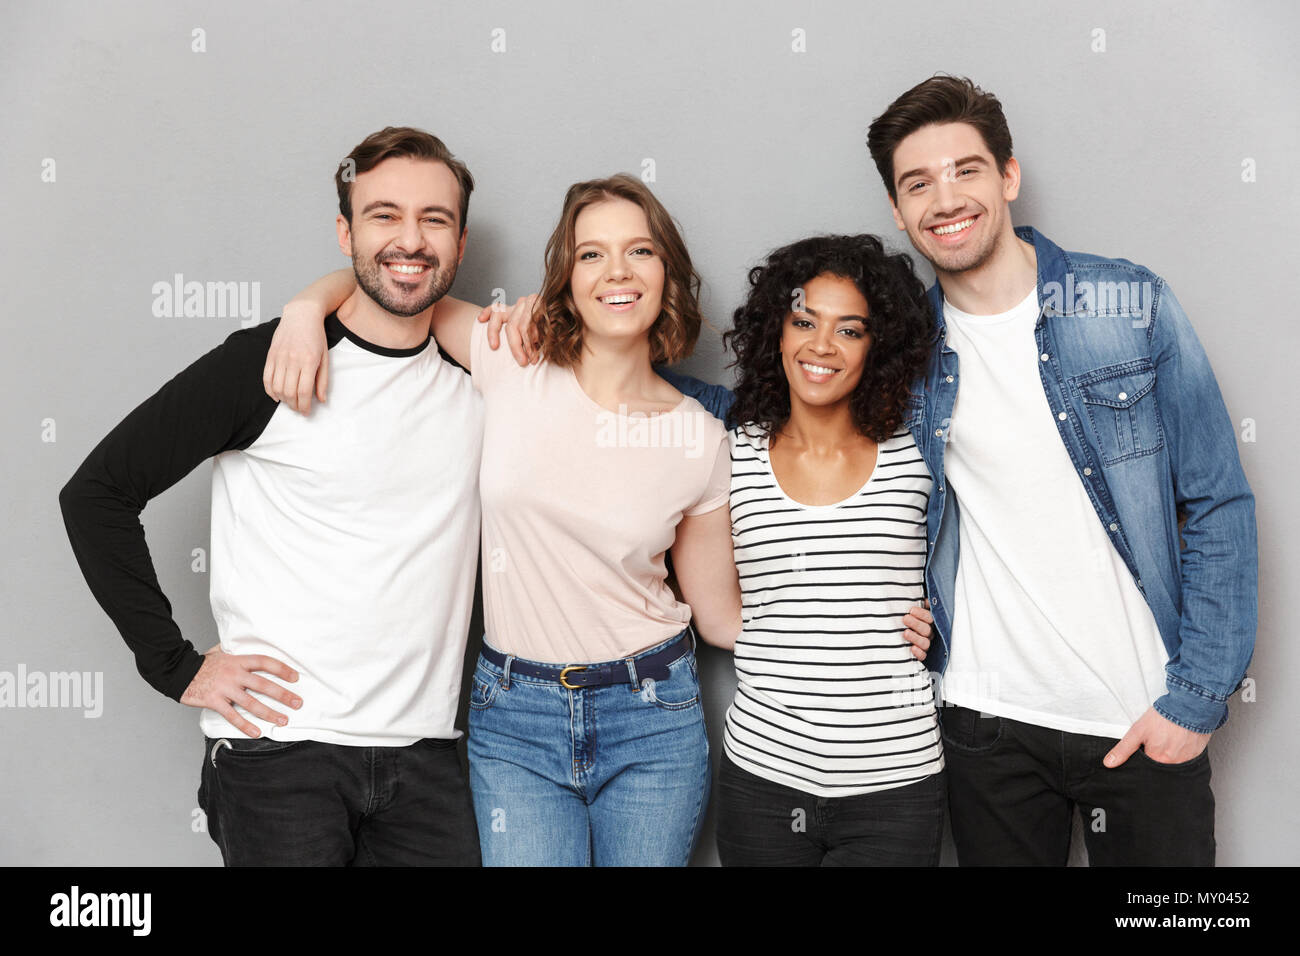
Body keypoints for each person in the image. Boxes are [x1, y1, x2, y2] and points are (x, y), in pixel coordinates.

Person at [59, 126, 528, 866]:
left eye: (433, 220)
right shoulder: (271, 363)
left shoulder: (482, 377)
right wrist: (175, 666)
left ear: (461, 242)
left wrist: (314, 298)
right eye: (383, 215)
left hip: (430, 759)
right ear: (345, 230)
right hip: (280, 760)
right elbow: (95, 494)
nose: (409, 239)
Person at [266, 174, 744, 867]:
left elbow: (721, 618)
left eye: (639, 251)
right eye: (591, 255)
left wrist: (862, 629)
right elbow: (397, 288)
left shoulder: (701, 437)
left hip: (652, 718)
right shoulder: (510, 359)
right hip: (516, 715)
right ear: (566, 278)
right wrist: (304, 311)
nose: (616, 271)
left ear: (666, 273)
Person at [866, 75, 1257, 865]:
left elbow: (1217, 503)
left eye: (965, 170)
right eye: (918, 183)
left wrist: (1198, 699)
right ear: (898, 210)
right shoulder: (901, 347)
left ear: (1007, 177)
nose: (945, 199)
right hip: (986, 725)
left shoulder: (1127, 304)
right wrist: (558, 321)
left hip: (1145, 715)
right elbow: (789, 421)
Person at [713, 234, 946, 865]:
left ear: (879, 346)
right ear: (776, 332)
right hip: (761, 775)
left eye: (850, 330)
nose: (821, 346)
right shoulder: (729, 454)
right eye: (803, 321)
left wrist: (941, 622)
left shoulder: (919, 455)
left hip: (896, 784)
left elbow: (983, 562)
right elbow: (715, 612)